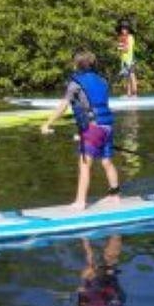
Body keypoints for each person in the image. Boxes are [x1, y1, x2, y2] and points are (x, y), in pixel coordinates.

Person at [40, 50, 121, 211]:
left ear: (78, 64)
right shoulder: (102, 80)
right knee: (106, 161)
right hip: (107, 126)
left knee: (85, 165)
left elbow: (64, 105)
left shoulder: (75, 82)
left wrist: (47, 124)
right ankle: (115, 195)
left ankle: (80, 202)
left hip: (92, 128)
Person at [116, 19, 138, 97]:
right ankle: (128, 94)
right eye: (122, 28)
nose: (123, 30)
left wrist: (120, 47)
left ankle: (135, 94)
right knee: (127, 77)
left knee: (132, 76)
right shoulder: (122, 38)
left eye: (125, 28)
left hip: (130, 59)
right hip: (124, 60)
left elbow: (127, 49)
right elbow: (121, 49)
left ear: (128, 29)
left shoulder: (130, 37)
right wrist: (120, 46)